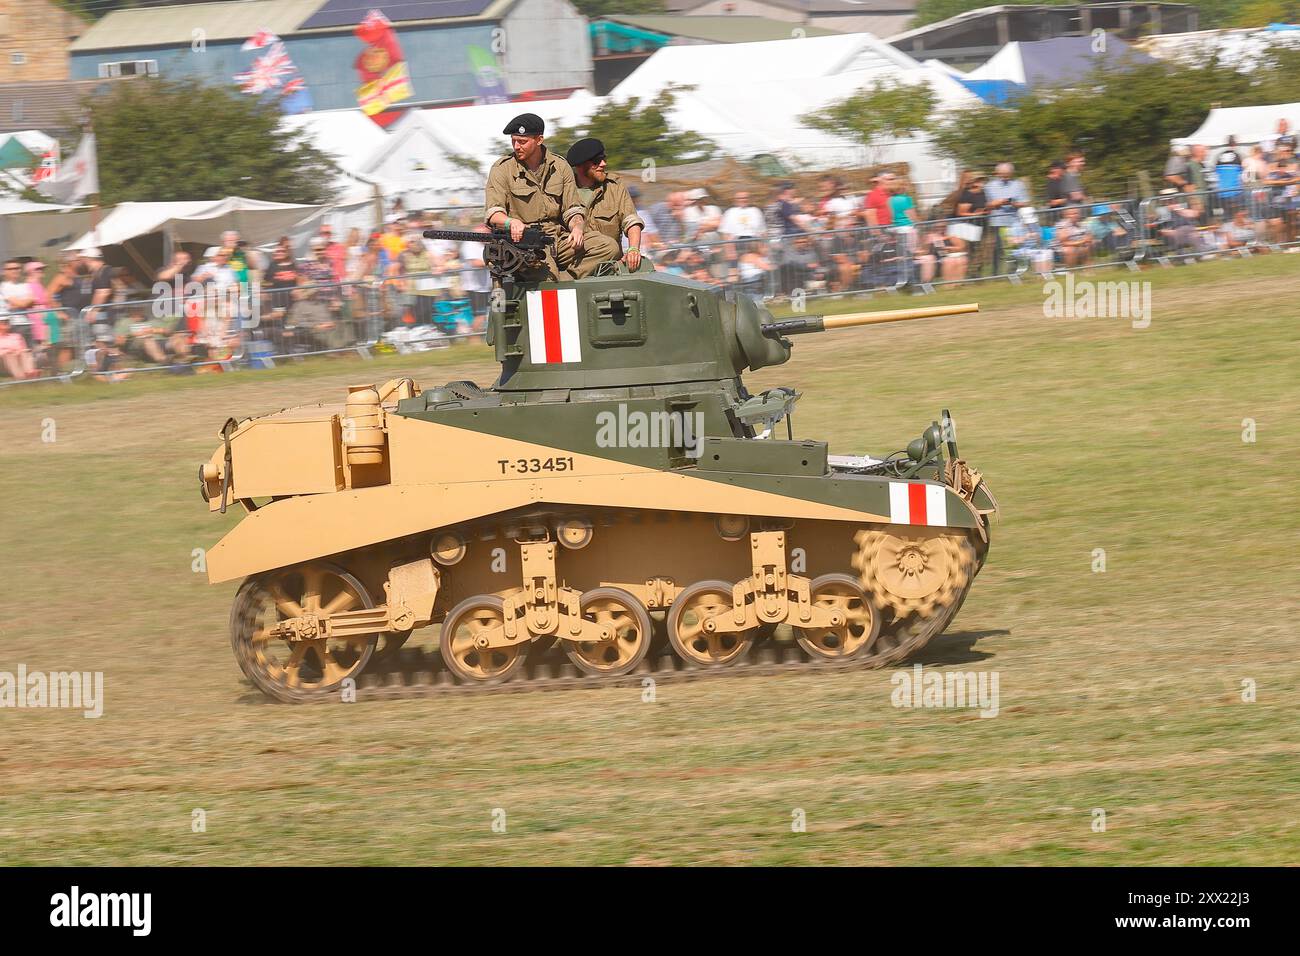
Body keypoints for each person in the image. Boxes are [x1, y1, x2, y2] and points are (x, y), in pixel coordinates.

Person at [483, 112, 618, 279]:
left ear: (539, 140)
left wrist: (577, 227)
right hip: (526, 244)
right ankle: (558, 283)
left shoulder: (561, 166)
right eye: (513, 141)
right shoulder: (502, 169)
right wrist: (511, 222)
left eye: (522, 142)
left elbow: (573, 208)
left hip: (559, 239)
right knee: (547, 277)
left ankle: (567, 280)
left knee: (608, 247)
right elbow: (493, 212)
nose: (517, 146)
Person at [566, 137, 644, 272]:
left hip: (609, 267)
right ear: (580, 165)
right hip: (574, 267)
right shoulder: (564, 190)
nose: (603, 164)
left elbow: (631, 220)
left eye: (604, 159)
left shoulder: (614, 187)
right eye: (596, 161)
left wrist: (633, 249)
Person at [985, 162, 1029, 274]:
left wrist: (1014, 204)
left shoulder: (1019, 184)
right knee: (998, 249)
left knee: (1014, 247)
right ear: (997, 173)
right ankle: (996, 274)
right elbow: (986, 205)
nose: (1005, 177)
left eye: (1007, 175)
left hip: (1014, 222)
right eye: (1002, 175)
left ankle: (1014, 272)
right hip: (997, 222)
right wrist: (998, 203)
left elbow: (1025, 202)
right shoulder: (989, 186)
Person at [0, 314, 36, 378]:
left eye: (7, 322)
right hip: (3, 361)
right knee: (9, 355)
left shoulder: (16, 336)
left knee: (25, 351)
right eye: (2, 322)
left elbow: (23, 348)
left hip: (18, 357)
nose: (5, 323)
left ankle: (30, 372)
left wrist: (18, 351)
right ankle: (20, 377)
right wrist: (8, 351)